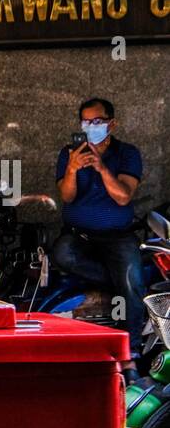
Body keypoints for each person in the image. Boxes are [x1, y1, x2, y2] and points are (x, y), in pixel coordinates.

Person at [51, 97, 145, 373]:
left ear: (111, 124)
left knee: (133, 283)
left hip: (118, 236)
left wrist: (101, 167)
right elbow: (67, 195)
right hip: (79, 236)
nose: (91, 126)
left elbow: (123, 196)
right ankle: (115, 283)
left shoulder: (127, 153)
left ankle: (130, 355)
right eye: (85, 121)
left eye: (97, 121)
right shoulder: (68, 154)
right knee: (61, 254)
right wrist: (72, 168)